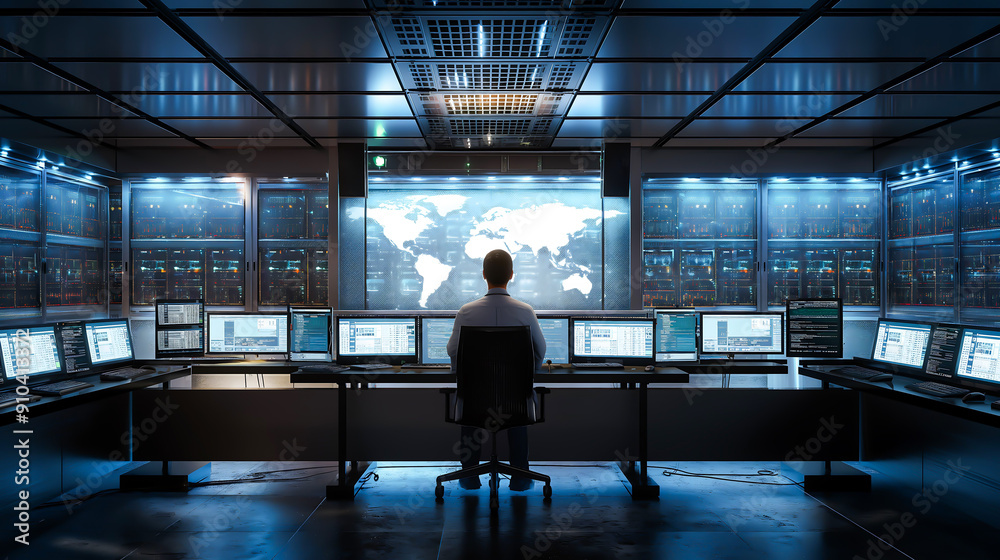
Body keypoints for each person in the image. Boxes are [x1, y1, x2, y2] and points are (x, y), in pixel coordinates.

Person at [446, 249, 545, 491]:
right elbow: (540, 352)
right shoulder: (525, 311)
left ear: (483, 275)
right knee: (519, 398)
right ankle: (520, 476)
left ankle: (469, 476)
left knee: (469, 395)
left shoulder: (466, 312)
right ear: (511, 275)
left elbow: (452, 352)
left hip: (474, 405)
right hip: (516, 407)